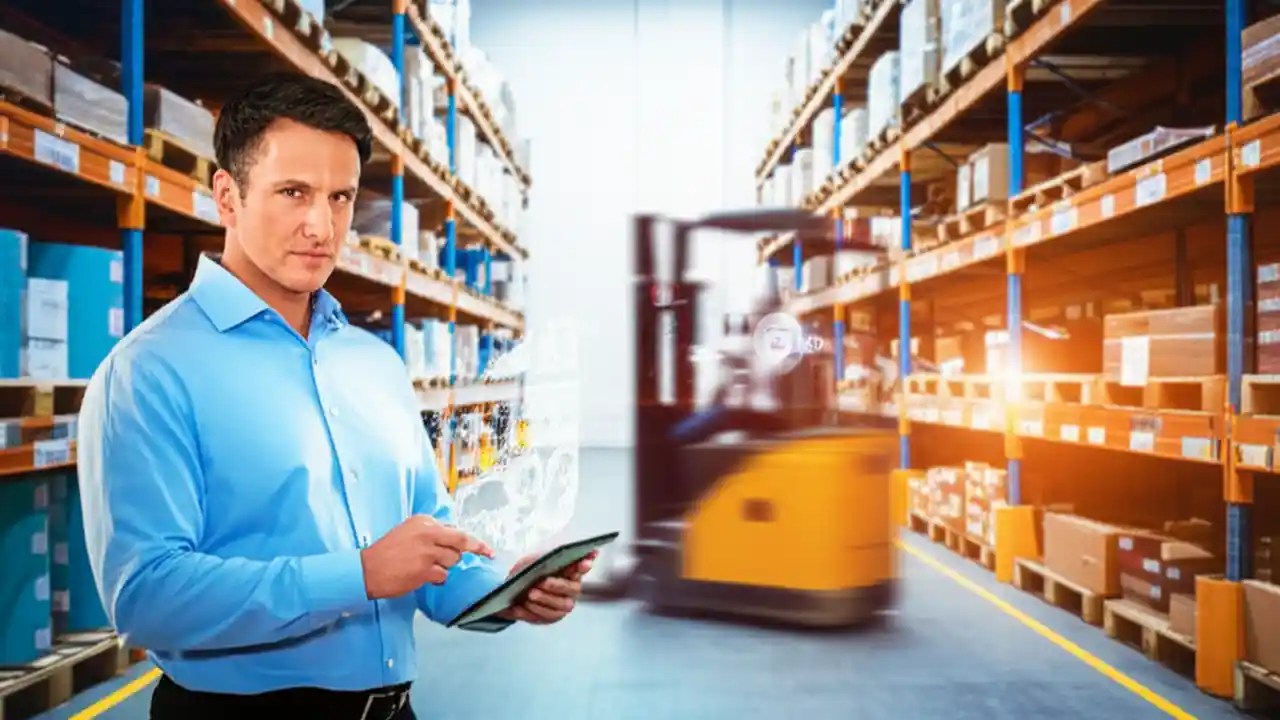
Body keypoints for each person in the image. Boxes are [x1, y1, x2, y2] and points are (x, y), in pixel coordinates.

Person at [76, 72, 593, 720]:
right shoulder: (149, 372)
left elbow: (424, 539)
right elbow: (146, 598)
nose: (321, 225)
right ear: (227, 197)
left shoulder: (374, 365)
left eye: (341, 197)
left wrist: (506, 589)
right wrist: (362, 574)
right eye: (293, 192)